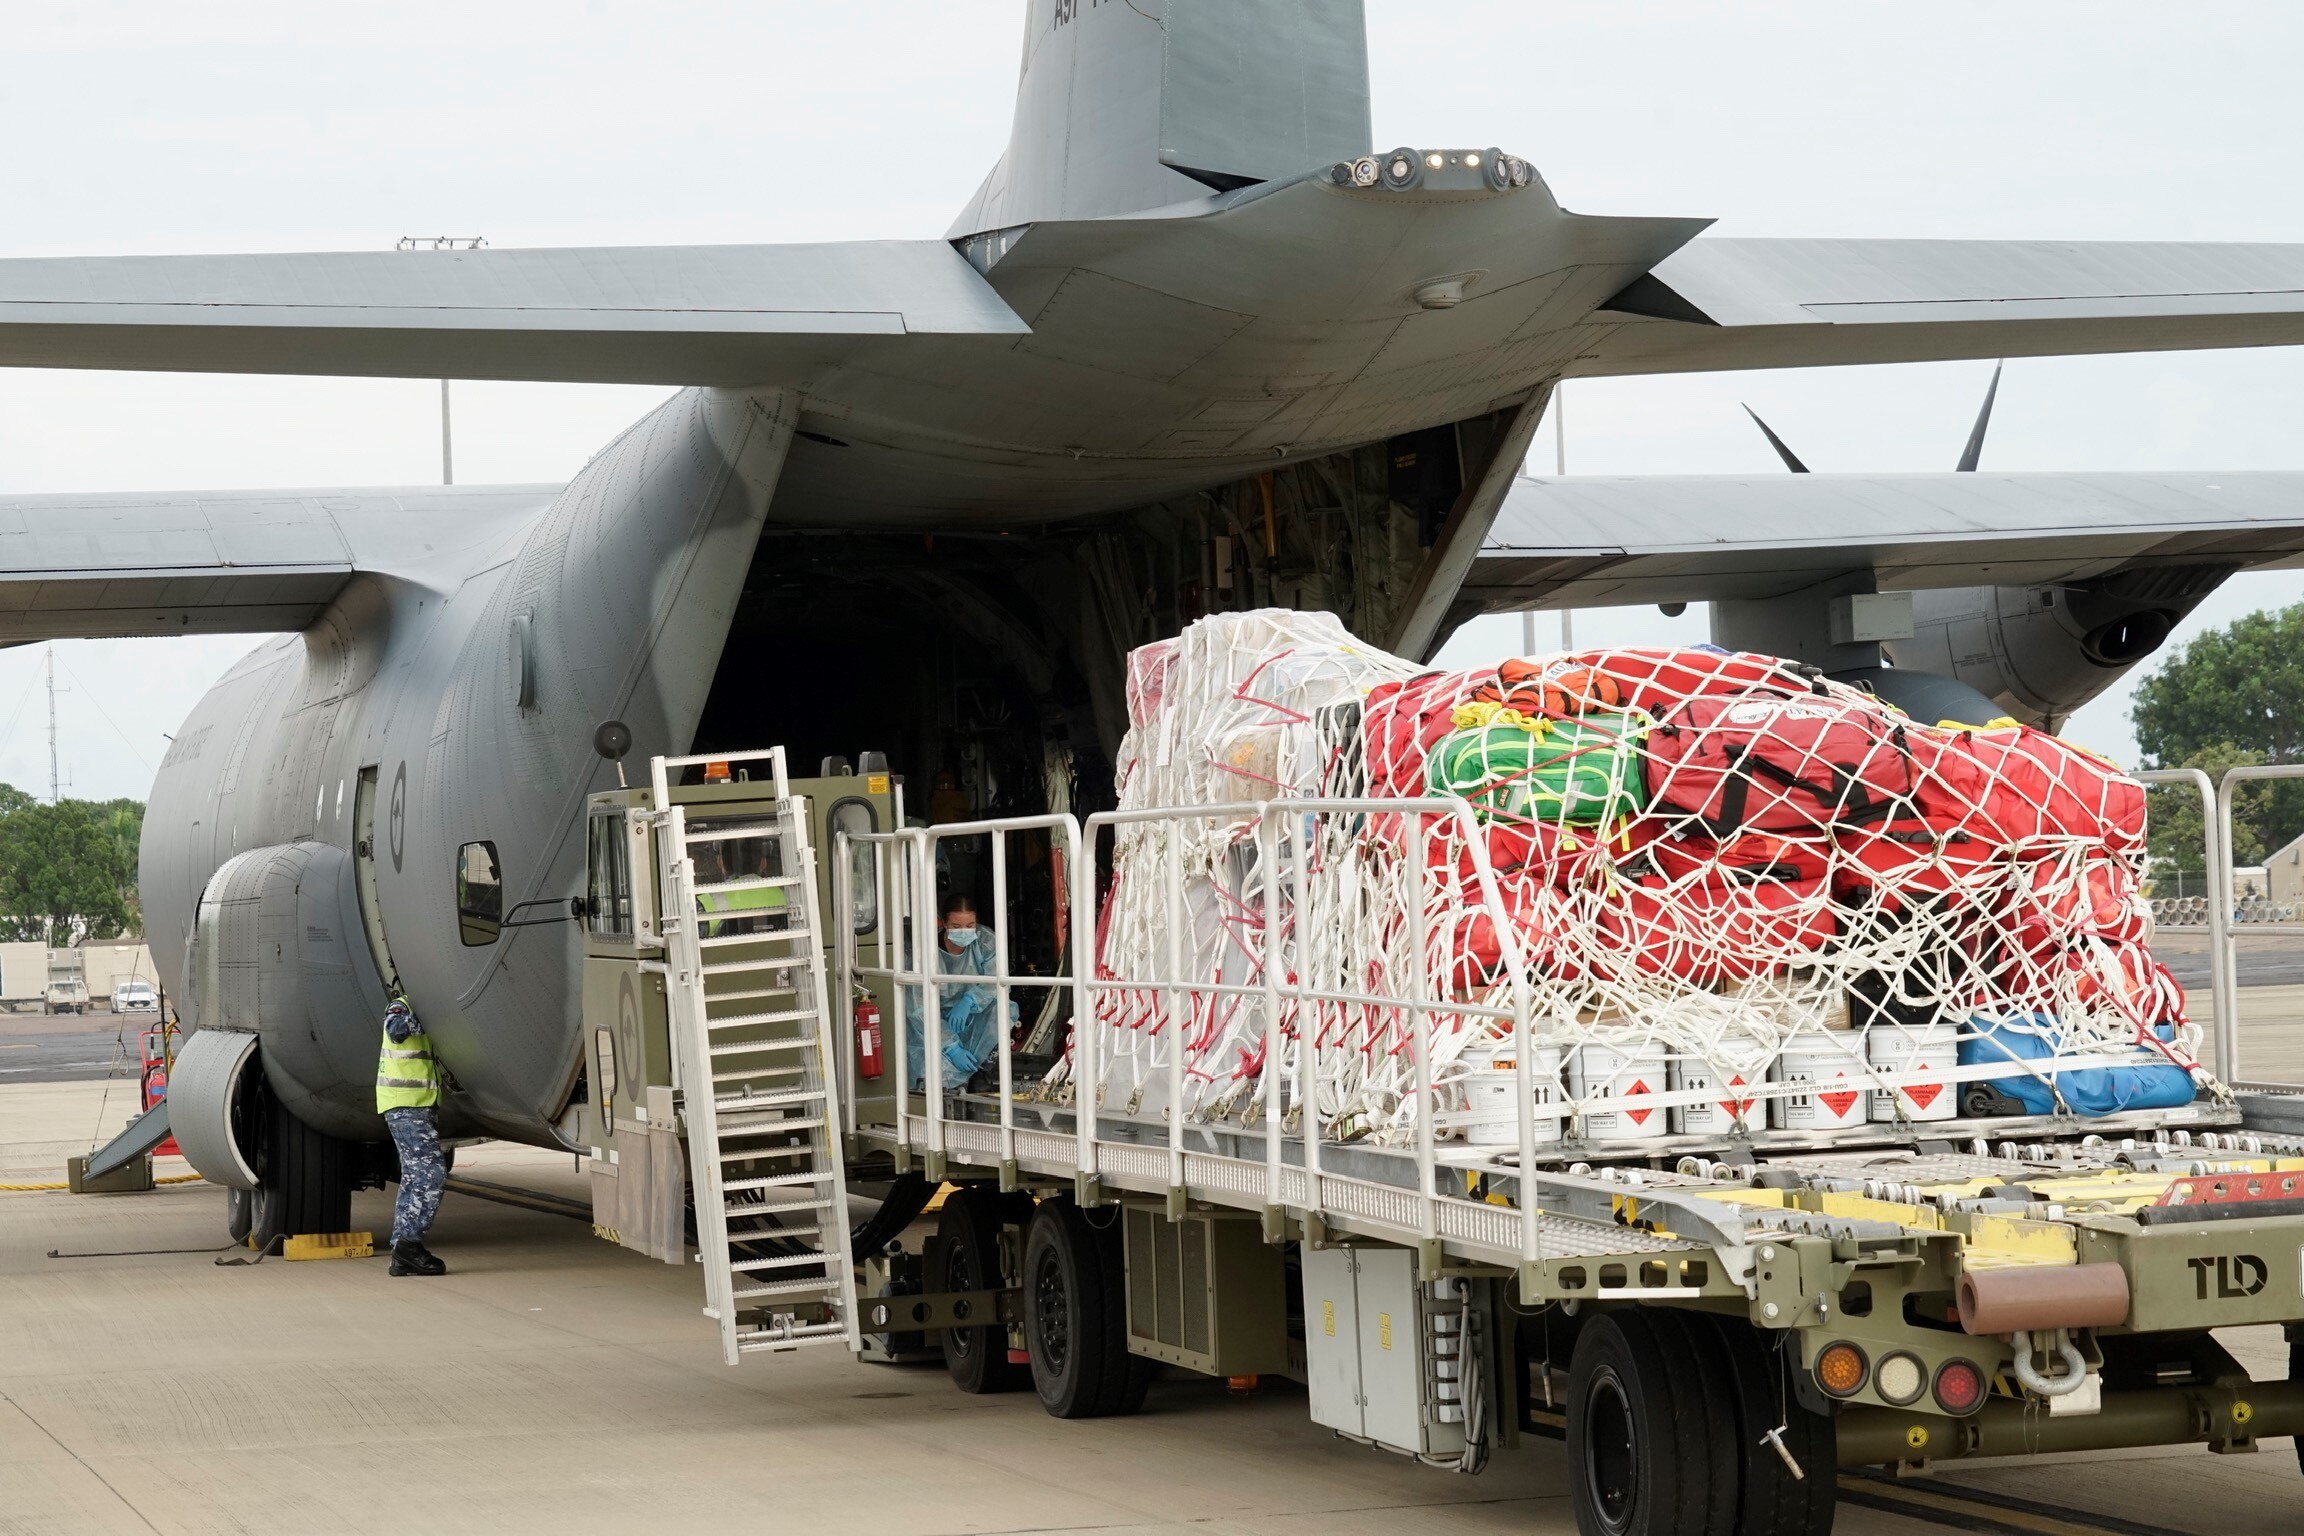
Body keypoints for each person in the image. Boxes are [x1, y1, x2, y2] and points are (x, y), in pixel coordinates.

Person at [904, 895, 1017, 1093]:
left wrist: (969, 1000)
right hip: (934, 1022)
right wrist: (952, 1047)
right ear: (943, 924)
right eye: (956, 926)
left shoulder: (985, 941)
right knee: (936, 1070)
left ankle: (981, 1071)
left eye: (970, 925)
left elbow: (998, 981)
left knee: (1004, 1009)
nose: (964, 932)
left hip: (971, 1015)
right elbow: (918, 1009)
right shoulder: (924, 953)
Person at [376, 994, 448, 1276]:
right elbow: (395, 1030)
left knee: (413, 1177)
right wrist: (429, 1014)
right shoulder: (404, 1004)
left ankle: (402, 1251)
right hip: (406, 1105)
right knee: (431, 1173)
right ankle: (409, 1245)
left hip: (414, 1105)